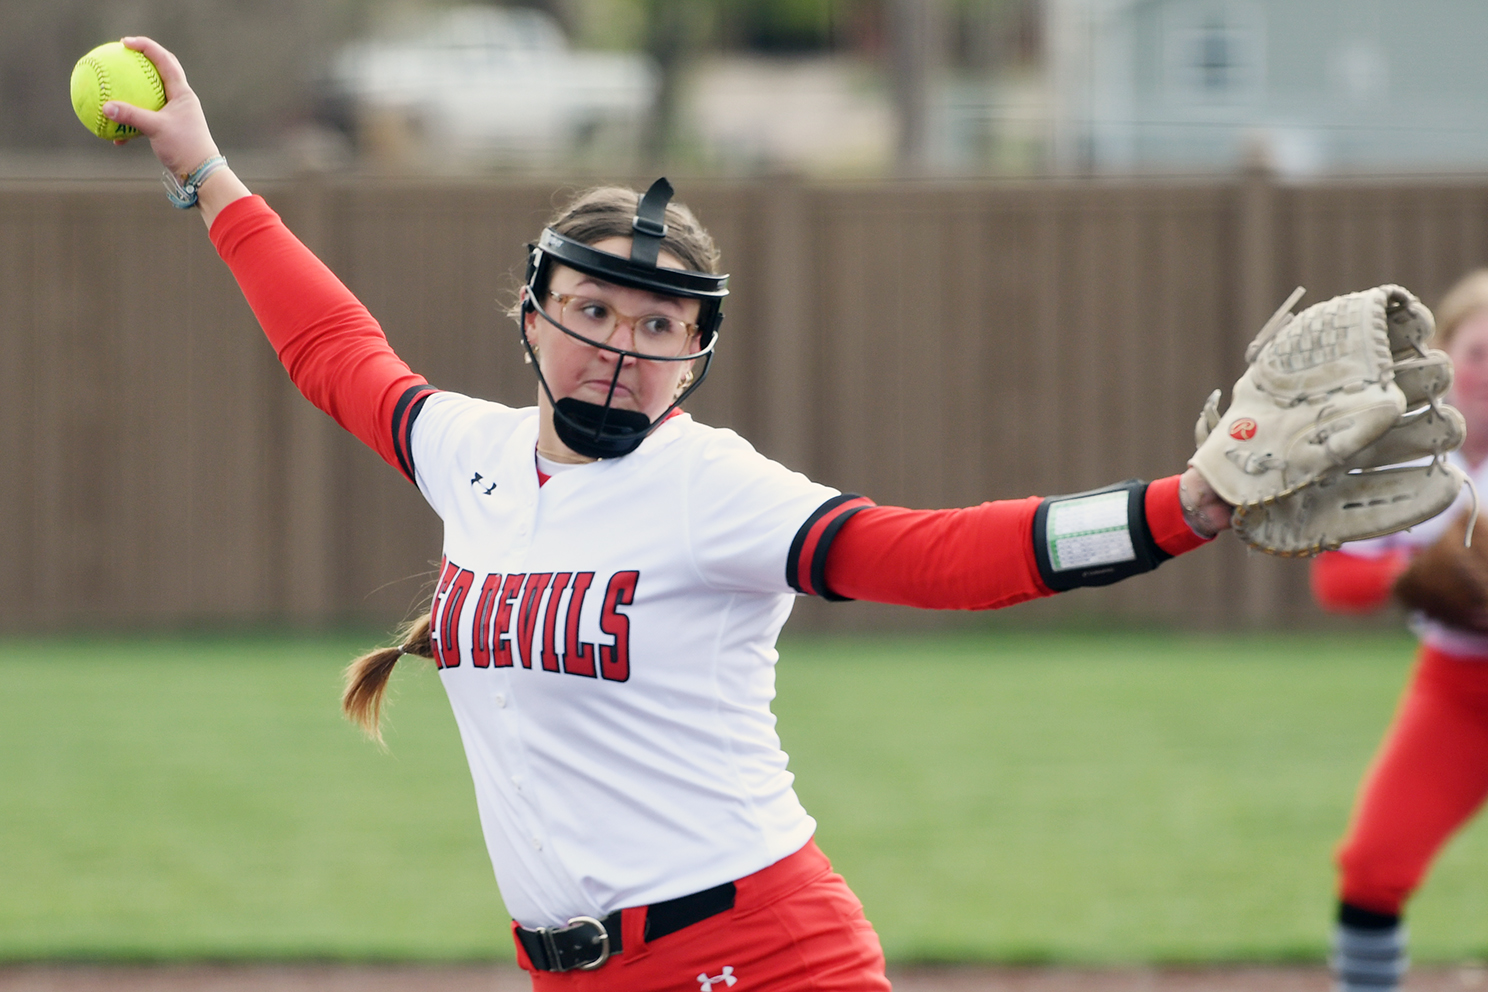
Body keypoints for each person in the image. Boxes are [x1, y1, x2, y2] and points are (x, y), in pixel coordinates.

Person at [107, 36, 1235, 991]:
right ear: (532, 315)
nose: (618, 347)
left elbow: (935, 555)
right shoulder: (473, 454)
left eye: (660, 326)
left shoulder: (714, 489)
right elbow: (330, 349)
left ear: (696, 352)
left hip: (757, 953)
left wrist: (1178, 509)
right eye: (593, 308)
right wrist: (204, 168)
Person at [1310, 269, 1488, 992]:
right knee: (1374, 868)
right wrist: (1410, 575)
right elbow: (1336, 582)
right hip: (1455, 693)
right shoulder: (1407, 457)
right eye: (1478, 352)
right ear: (1442, 355)